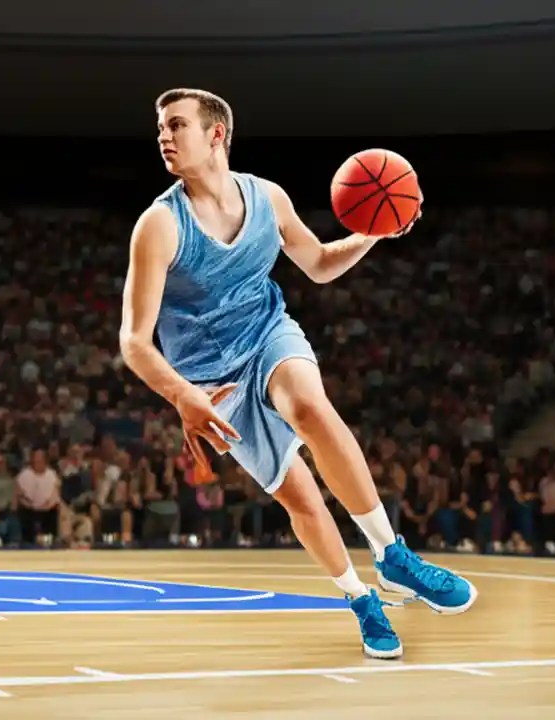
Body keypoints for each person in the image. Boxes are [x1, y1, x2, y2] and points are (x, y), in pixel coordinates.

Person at [118, 88, 476, 659]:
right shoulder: (159, 225)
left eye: (176, 124)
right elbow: (134, 341)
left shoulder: (268, 198)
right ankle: (361, 600)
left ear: (216, 134)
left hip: (267, 334)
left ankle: (392, 555)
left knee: (309, 407)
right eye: (160, 126)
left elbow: (318, 265)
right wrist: (182, 395)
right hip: (209, 378)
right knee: (302, 498)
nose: (163, 135)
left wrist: (373, 232)